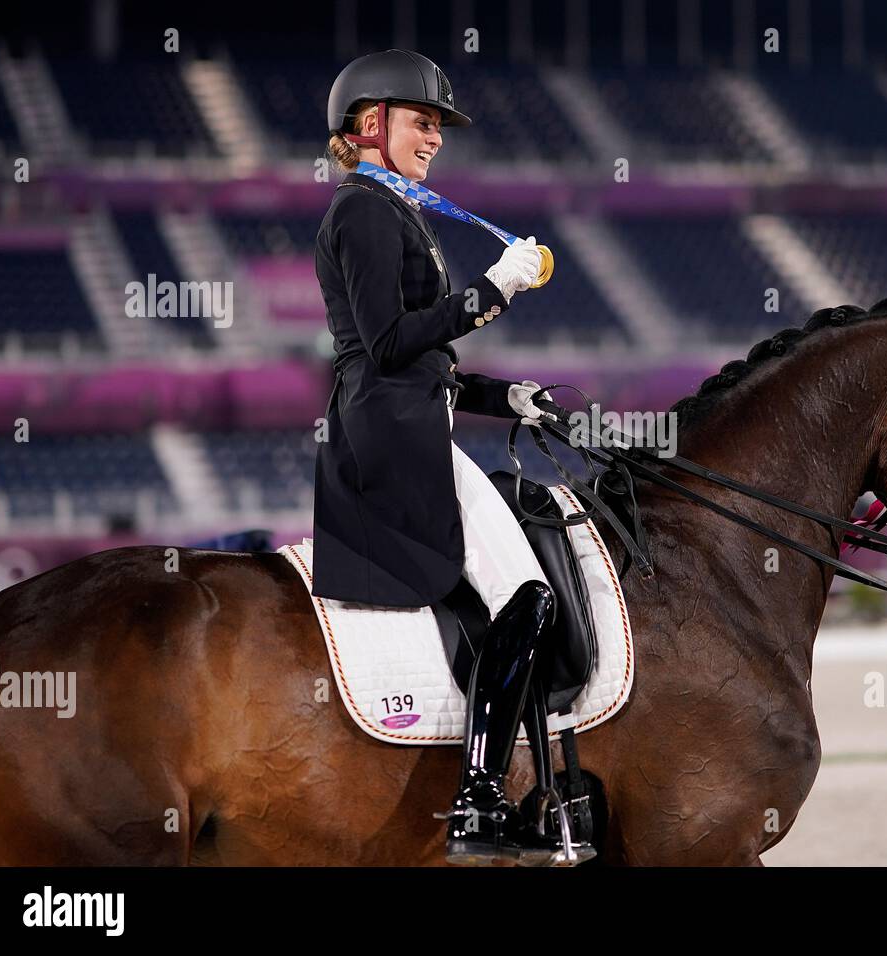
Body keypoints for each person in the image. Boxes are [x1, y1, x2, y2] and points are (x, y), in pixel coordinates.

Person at [314, 49, 556, 862]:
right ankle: (481, 797)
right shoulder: (363, 211)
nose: (435, 140)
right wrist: (494, 291)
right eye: (423, 123)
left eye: (438, 129)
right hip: (390, 440)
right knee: (527, 594)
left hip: (400, 423)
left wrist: (502, 396)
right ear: (371, 122)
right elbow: (385, 344)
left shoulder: (392, 208)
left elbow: (423, 360)